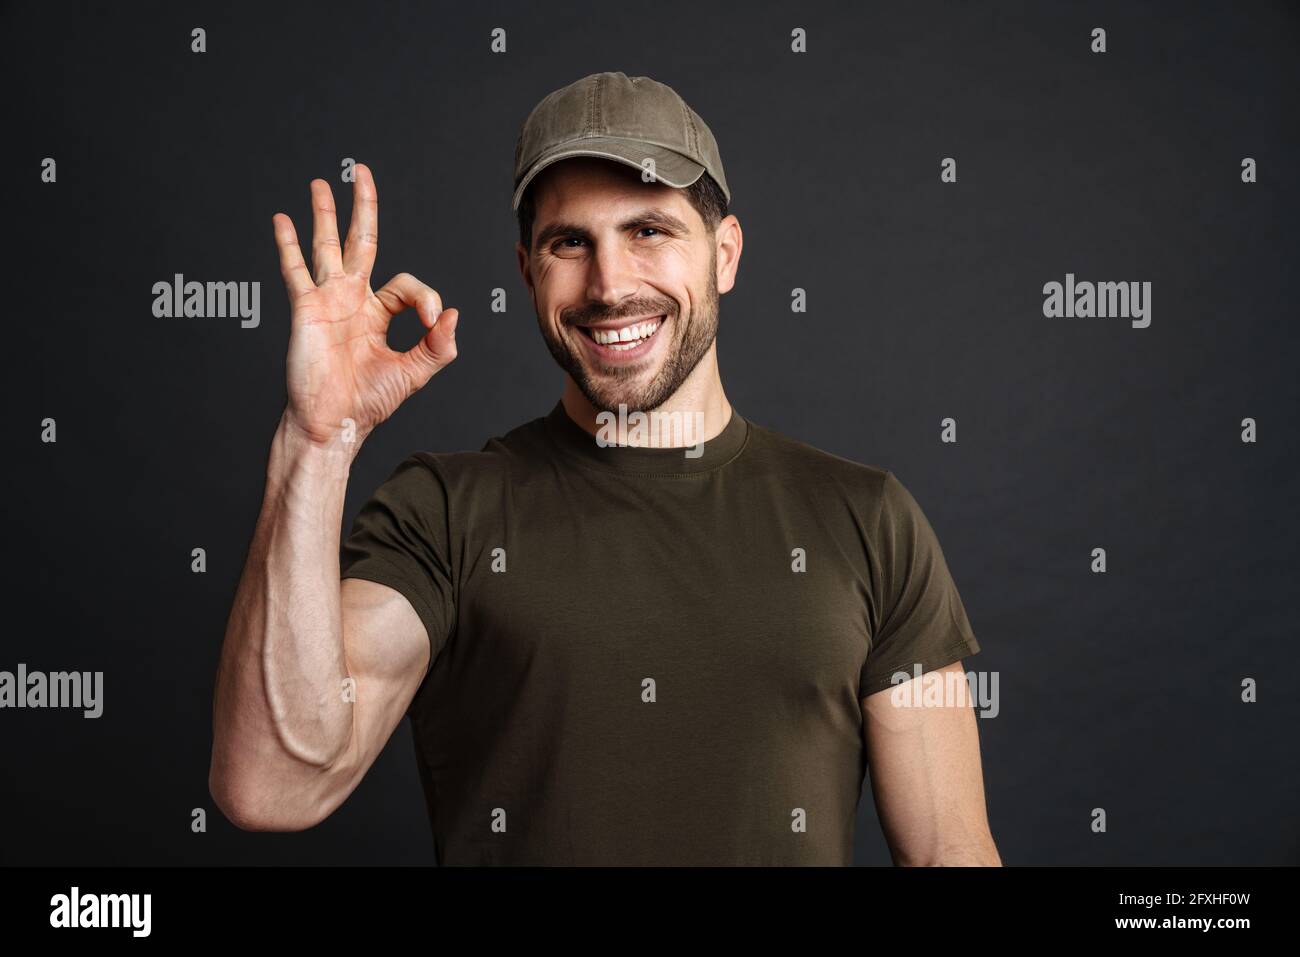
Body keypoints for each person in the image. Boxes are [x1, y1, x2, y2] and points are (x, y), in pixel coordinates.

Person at [209, 71, 1001, 866]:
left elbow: (950, 854)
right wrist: (316, 440)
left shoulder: (868, 520)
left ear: (724, 254)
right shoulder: (445, 513)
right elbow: (274, 782)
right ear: (527, 270)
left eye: (649, 230)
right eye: (570, 242)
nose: (611, 284)